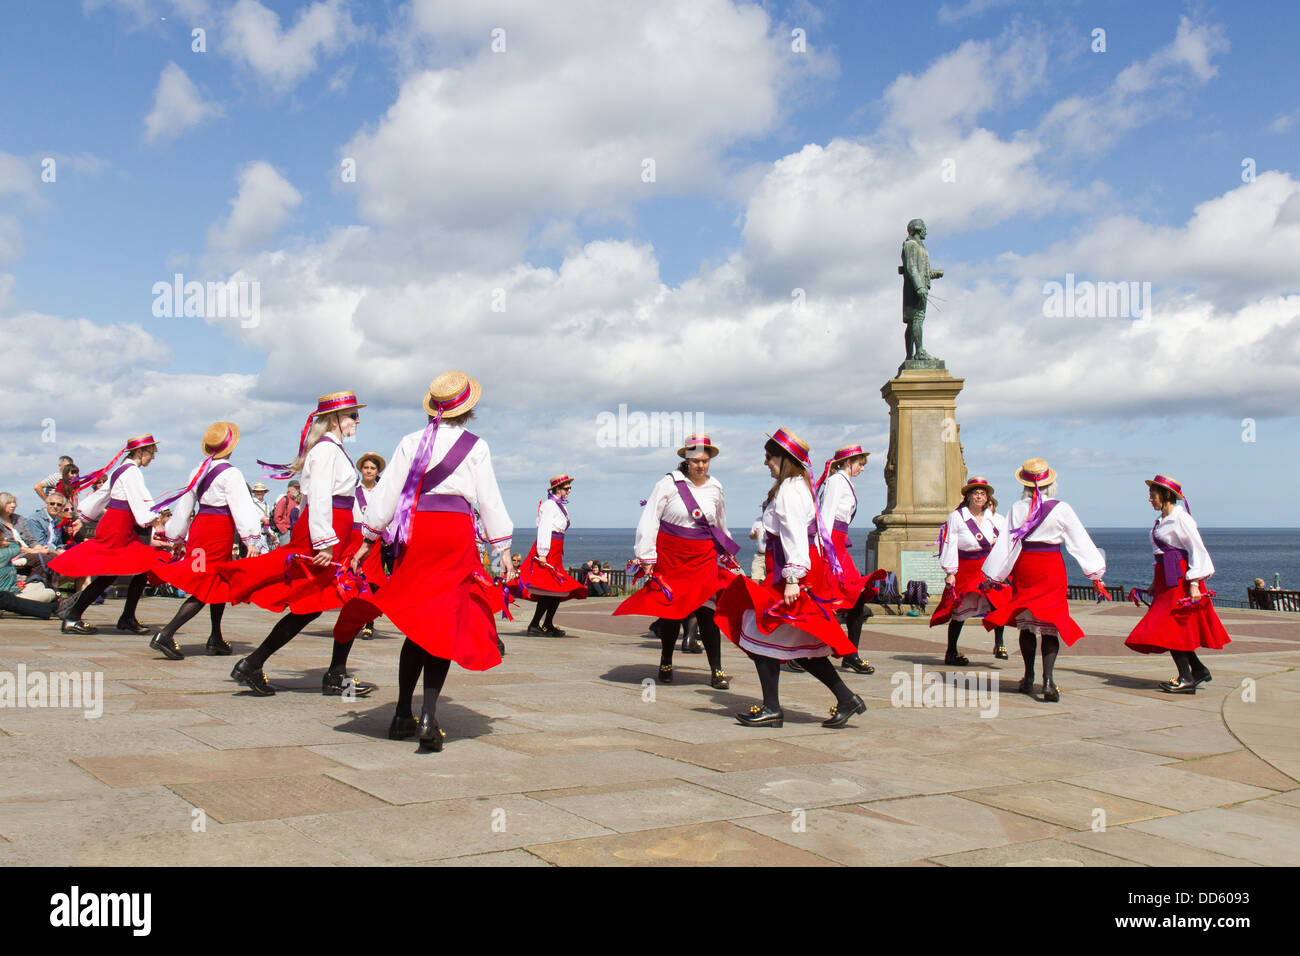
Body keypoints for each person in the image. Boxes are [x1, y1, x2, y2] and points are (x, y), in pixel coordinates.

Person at [350, 371, 515, 751]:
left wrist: (368, 539)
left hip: (417, 532)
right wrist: (501, 549)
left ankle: (400, 714)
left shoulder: (411, 441)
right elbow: (488, 498)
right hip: (454, 533)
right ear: (468, 410)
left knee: (418, 625)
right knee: (444, 623)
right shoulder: (476, 446)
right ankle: (428, 716)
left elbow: (388, 495)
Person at [218, 392, 377, 698]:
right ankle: (257, 662)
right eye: (353, 416)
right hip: (328, 532)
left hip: (337, 530)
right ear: (334, 419)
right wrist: (324, 542)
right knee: (315, 603)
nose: (358, 421)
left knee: (339, 600)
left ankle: (331, 673)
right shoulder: (325, 451)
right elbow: (317, 496)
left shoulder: (333, 450)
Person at [716, 429, 866, 728]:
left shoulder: (790, 490)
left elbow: (795, 533)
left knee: (762, 634)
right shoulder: (794, 486)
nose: (765, 463)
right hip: (785, 573)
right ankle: (845, 698)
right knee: (799, 643)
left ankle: (774, 708)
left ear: (783, 459)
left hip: (789, 574)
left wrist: (794, 578)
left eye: (769, 457)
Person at [614, 434, 740, 688]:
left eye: (705, 461)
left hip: (703, 556)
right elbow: (650, 518)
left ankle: (716, 669)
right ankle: (666, 660)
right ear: (686, 459)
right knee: (672, 610)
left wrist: (727, 550)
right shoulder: (668, 484)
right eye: (696, 461)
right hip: (672, 555)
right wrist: (647, 555)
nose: (701, 466)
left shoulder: (715, 486)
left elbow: (719, 520)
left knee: (707, 610)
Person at [981, 458, 1107, 702]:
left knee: (1027, 624)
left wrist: (992, 576)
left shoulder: (1018, 508)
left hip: (1026, 567)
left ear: (1025, 485)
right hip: (1051, 569)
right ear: (1051, 483)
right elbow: (1079, 541)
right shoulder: (1062, 508)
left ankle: (1028, 677)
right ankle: (1048, 681)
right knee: (1051, 624)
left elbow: (1007, 544)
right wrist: (1095, 574)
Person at [148, 422, 267, 659]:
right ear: (230, 447)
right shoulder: (232, 473)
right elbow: (242, 507)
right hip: (219, 530)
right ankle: (166, 633)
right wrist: (251, 539)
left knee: (217, 581)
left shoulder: (197, 470)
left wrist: (178, 536)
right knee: (207, 585)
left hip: (201, 526)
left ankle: (216, 638)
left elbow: (184, 505)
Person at [48, 435, 170, 634]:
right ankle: (72, 617)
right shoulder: (131, 472)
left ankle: (127, 617)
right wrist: (154, 520)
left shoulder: (121, 469)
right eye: (151, 453)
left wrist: (85, 517)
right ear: (139, 452)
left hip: (120, 524)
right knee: (109, 574)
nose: (153, 457)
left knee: (140, 568)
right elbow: (141, 500)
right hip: (119, 525)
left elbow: (101, 495)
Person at [1124, 475, 1231, 693]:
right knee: (1174, 628)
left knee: (1169, 627)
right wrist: (1155, 581)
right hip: (1166, 579)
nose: (1150, 500)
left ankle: (1186, 677)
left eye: (1152, 495)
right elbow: (1160, 555)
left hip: (1181, 579)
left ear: (1165, 496)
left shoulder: (1182, 519)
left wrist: (1193, 584)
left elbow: (1196, 550)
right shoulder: (1161, 521)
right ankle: (1197, 671)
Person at [815, 444, 885, 674]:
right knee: (841, 599)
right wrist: (824, 549)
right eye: (860, 464)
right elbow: (826, 513)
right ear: (848, 462)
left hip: (837, 543)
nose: (862, 468)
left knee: (855, 597)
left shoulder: (842, 481)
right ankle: (844, 653)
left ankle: (849, 653)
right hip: (832, 544)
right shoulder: (837, 481)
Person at [930, 476, 1009, 663]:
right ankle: (951, 652)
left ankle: (999, 644)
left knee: (998, 603)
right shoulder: (957, 517)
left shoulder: (996, 519)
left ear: (987, 498)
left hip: (988, 568)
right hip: (966, 568)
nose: (979, 496)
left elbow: (1005, 544)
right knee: (959, 610)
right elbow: (949, 544)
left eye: (983, 493)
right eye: (975, 493)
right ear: (968, 496)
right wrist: (950, 572)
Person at [519, 475, 587, 636]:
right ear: (558, 489)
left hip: (556, 550)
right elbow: (544, 528)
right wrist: (542, 553)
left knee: (556, 588)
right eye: (566, 488)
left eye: (569, 488)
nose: (569, 491)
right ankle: (536, 624)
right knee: (549, 588)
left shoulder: (560, 506)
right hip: (548, 549)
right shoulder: (549, 505)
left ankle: (546, 623)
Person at [351, 452, 388, 640]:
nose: (369, 471)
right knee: (354, 576)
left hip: (373, 538)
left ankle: (369, 622)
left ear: (377, 471)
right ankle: (352, 618)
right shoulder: (353, 489)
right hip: (355, 534)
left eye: (372, 468)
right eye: (366, 468)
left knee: (370, 578)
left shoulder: (382, 491)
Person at [0, 529, 57, 620]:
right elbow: (17, 546)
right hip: (10, 595)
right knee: (49, 593)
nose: (4, 542)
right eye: (2, 539)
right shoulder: (3, 553)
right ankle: (54, 608)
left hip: (12, 591)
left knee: (39, 585)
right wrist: (8, 543)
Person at [271, 479, 301, 545]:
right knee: (286, 552)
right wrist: (284, 530)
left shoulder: (297, 501)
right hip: (286, 531)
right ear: (289, 488)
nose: (297, 490)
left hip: (295, 531)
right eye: (295, 488)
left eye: (298, 488)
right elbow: (277, 517)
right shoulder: (284, 500)